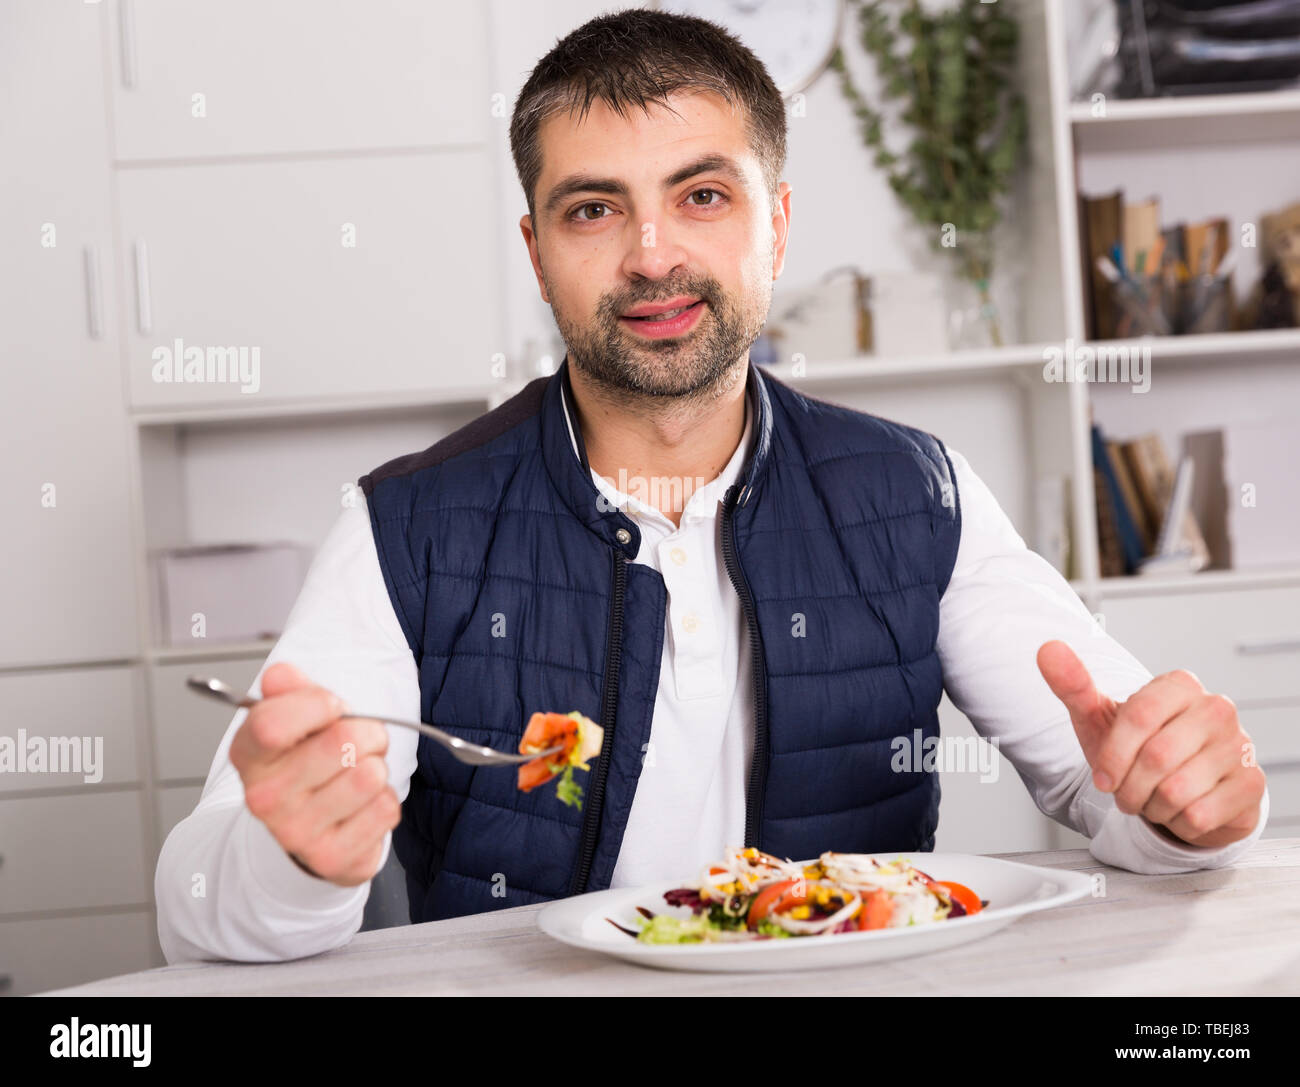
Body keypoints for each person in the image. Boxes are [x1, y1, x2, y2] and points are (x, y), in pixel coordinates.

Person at [156, 9, 1268, 964]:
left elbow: (1123, 797)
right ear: (537, 251)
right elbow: (197, 915)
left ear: (774, 225)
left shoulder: (916, 492)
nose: (650, 254)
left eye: (701, 195)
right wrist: (293, 857)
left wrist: (1184, 809)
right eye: (593, 209)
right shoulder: (405, 525)